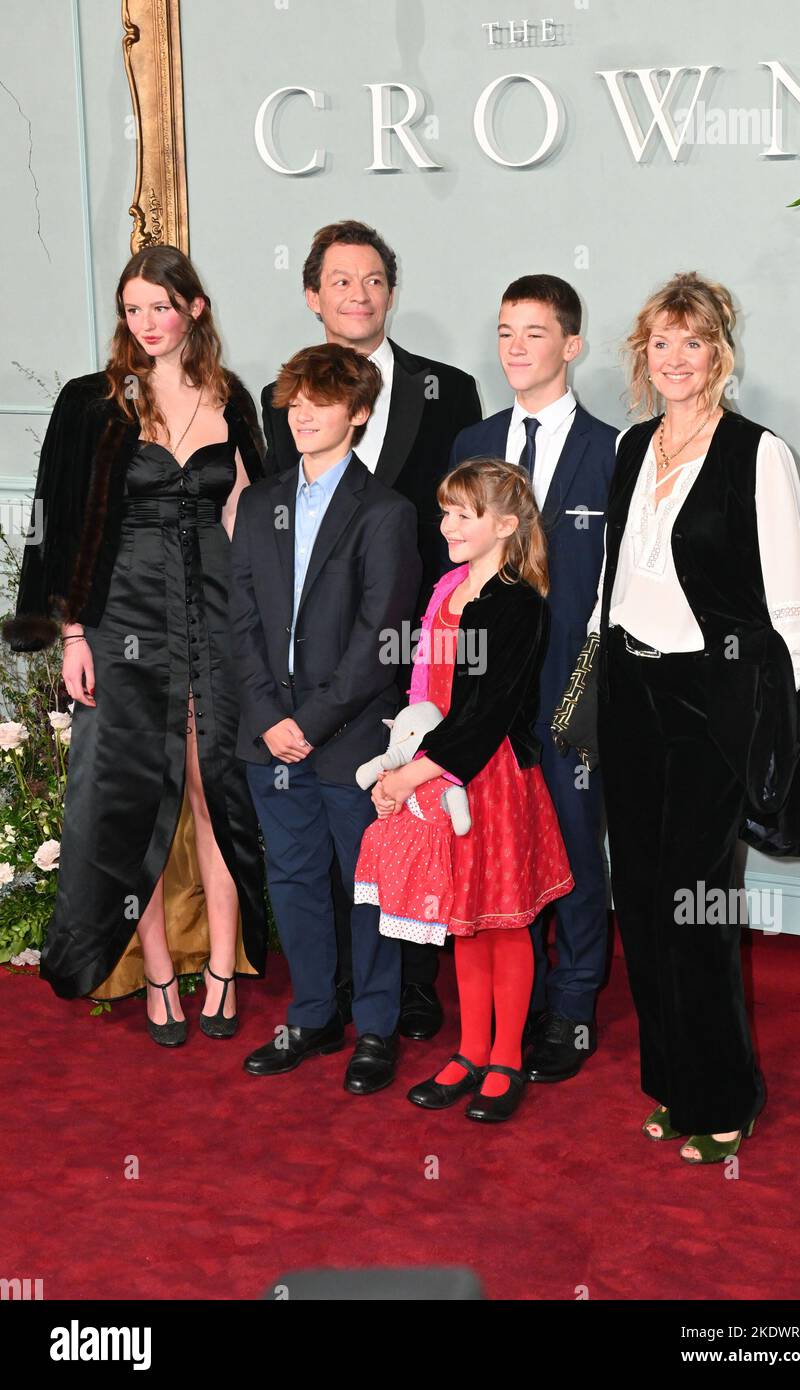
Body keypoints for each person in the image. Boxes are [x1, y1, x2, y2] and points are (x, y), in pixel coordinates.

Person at [586, 271, 800, 1163]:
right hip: (630, 693)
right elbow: (618, 578)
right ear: (642, 354)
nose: (676, 358)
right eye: (661, 342)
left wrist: (750, 713)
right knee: (642, 898)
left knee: (696, 905)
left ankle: (724, 1096)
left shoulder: (759, 455)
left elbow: (798, 615)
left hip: (708, 703)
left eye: (693, 342)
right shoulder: (628, 448)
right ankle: (673, 1085)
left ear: (719, 353)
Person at [2, 246, 271, 1042]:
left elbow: (248, 522)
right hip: (123, 620)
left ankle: (223, 964)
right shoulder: (95, 403)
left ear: (194, 308)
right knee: (131, 799)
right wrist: (71, 633)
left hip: (217, 618)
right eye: (133, 309)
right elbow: (60, 517)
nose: (147, 324)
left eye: (162, 306)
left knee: (211, 788)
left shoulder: (232, 398)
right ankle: (156, 971)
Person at [260, 219, 483, 1042]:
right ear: (313, 294)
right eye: (342, 281)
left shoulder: (447, 389)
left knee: (411, 819)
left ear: (392, 291)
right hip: (320, 663)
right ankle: (331, 997)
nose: (359, 294)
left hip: (423, 648)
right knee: (321, 846)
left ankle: (409, 992)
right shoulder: (283, 397)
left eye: (375, 280)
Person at [232, 343, 422, 1096]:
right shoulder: (260, 502)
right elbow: (238, 618)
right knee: (295, 879)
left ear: (360, 414)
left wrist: (308, 721)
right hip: (267, 733)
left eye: (321, 401)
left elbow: (383, 638)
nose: (303, 413)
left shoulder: (387, 512)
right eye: (295, 400)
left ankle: (376, 1027)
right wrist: (269, 714)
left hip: (352, 740)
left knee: (367, 886)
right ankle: (311, 1015)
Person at [361, 459, 574, 1123]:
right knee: (463, 924)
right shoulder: (448, 586)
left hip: (490, 777)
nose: (447, 524)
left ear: (506, 526)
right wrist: (400, 756)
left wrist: (411, 773)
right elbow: (425, 687)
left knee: (503, 925)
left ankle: (506, 1055)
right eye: (446, 510)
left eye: (464, 514)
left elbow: (486, 715)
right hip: (432, 767)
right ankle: (470, 1048)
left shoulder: (516, 603)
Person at [450, 275, 616, 1083]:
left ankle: (574, 1003)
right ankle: (516, 1006)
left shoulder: (614, 449)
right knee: (504, 849)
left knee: (576, 843)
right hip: (487, 693)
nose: (516, 347)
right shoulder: (472, 440)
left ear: (572, 346)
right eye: (506, 331)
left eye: (535, 333)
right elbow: (453, 576)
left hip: (567, 687)